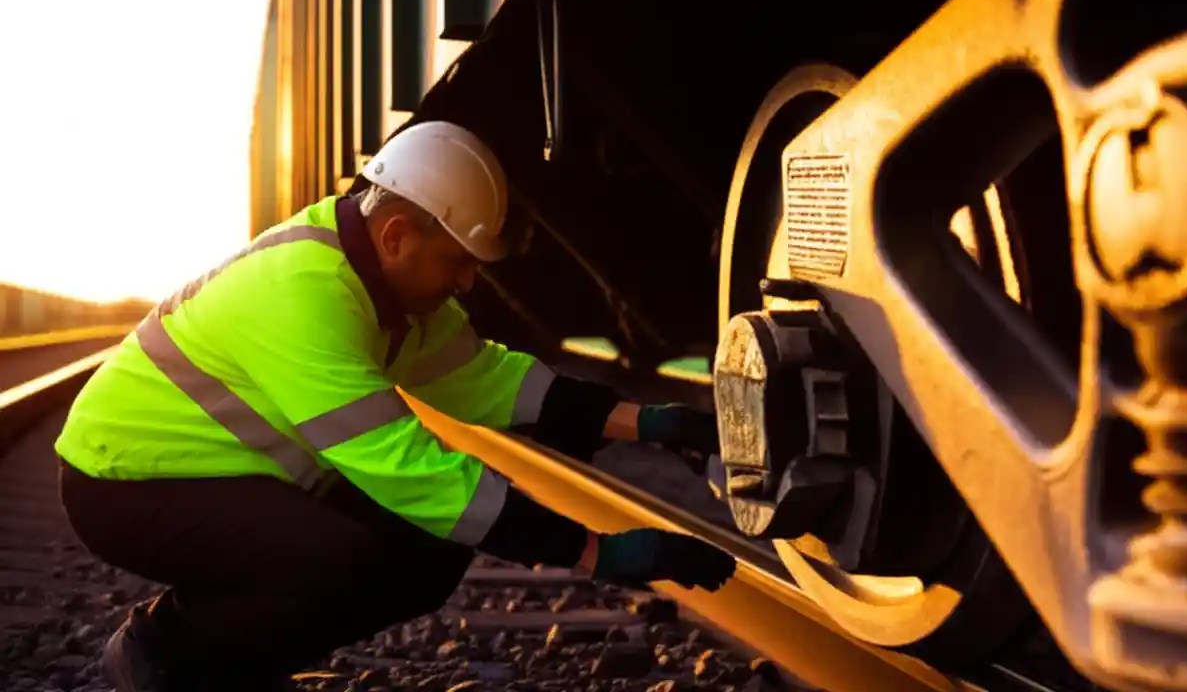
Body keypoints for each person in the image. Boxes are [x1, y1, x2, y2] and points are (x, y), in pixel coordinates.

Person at [55, 120, 735, 692]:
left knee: (426, 546)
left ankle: (243, 666)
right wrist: (598, 554)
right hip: (124, 482)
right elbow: (402, 466)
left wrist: (648, 422)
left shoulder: (388, 292)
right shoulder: (307, 294)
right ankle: (159, 656)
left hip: (218, 475)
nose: (469, 280)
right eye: (459, 260)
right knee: (330, 555)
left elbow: (485, 378)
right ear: (397, 236)